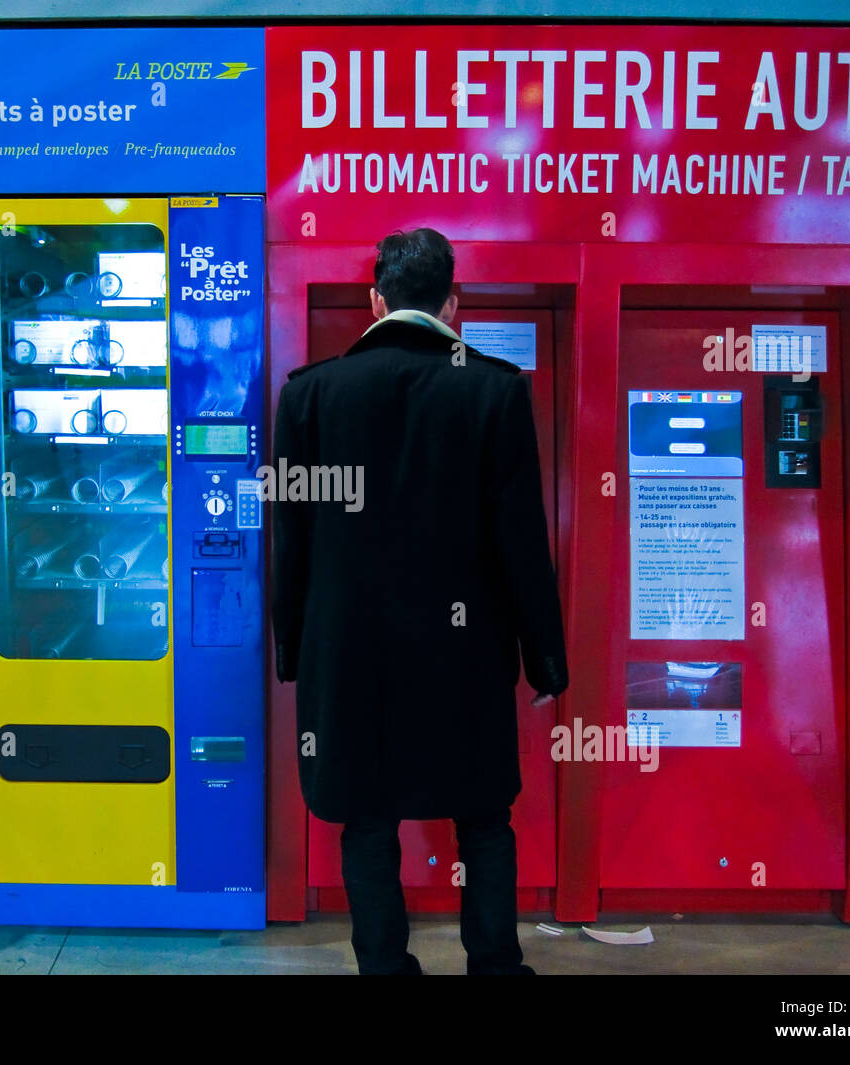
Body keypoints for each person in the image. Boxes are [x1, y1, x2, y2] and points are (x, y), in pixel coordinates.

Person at [271, 227, 568, 976]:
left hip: (350, 657)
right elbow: (522, 545)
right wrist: (546, 665)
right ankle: (494, 963)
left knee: (367, 818)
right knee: (484, 818)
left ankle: (383, 965)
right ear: (453, 303)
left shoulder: (308, 395)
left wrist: (291, 652)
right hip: (463, 658)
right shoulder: (497, 390)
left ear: (376, 301)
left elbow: (292, 539)